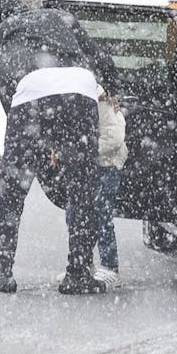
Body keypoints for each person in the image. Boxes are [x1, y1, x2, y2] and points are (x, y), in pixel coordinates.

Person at [0, 5, 120, 295]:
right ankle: (79, 273)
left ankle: (1, 272)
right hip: (81, 91)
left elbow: (7, 91)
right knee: (83, 188)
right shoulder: (56, 16)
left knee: (12, 191)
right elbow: (101, 59)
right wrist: (112, 89)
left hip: (30, 97)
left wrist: (33, 142)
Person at [65, 88, 127, 286]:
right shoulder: (81, 98)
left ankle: (110, 266)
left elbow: (115, 136)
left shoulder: (100, 99)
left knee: (101, 214)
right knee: (76, 214)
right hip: (90, 164)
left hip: (107, 164)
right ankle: (84, 263)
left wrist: (87, 149)